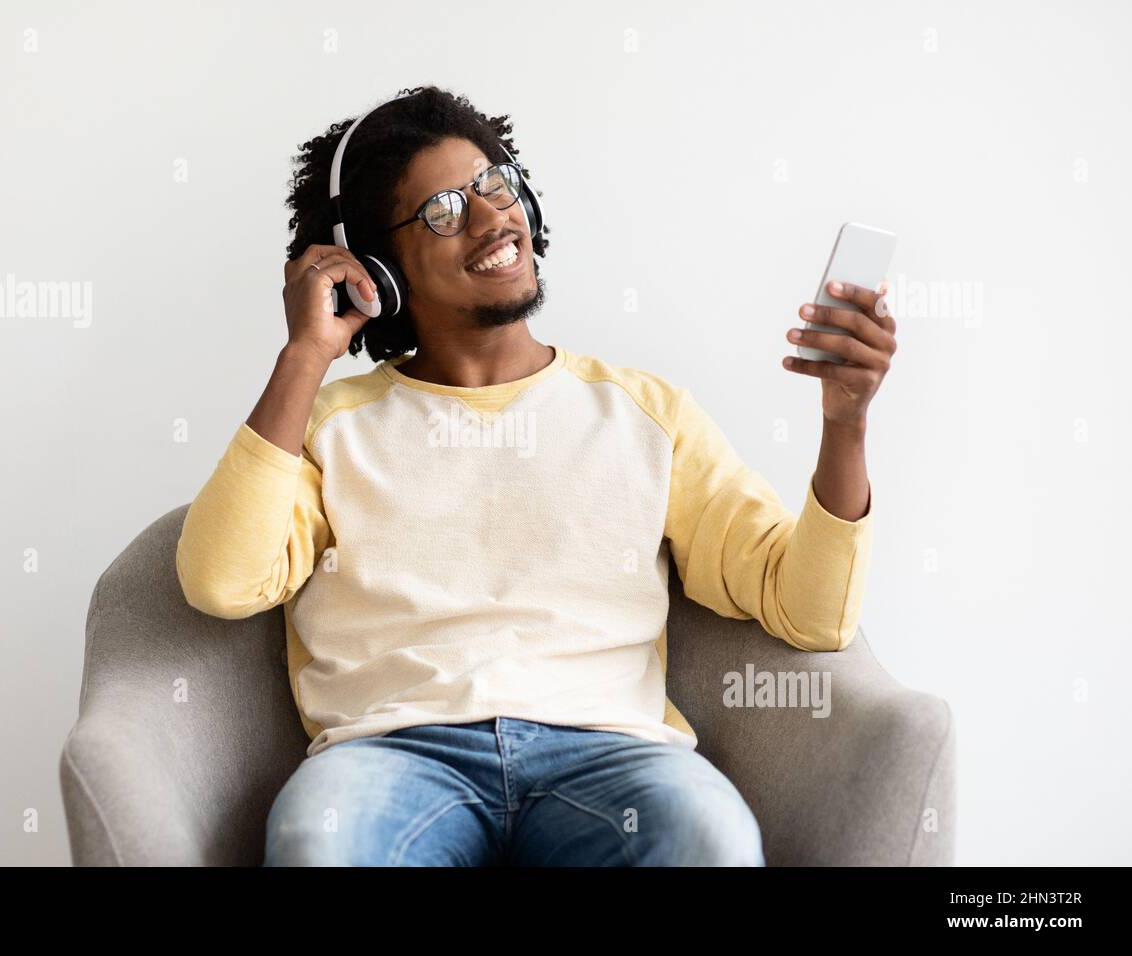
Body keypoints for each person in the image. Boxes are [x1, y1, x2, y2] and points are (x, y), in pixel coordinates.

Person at [175, 86, 891, 866]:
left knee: (710, 838)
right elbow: (222, 580)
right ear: (376, 266)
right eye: (443, 211)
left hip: (611, 756)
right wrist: (304, 357)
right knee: (323, 843)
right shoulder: (327, 425)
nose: (490, 219)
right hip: (392, 758)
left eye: (494, 185)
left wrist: (845, 422)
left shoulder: (647, 413)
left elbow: (813, 614)